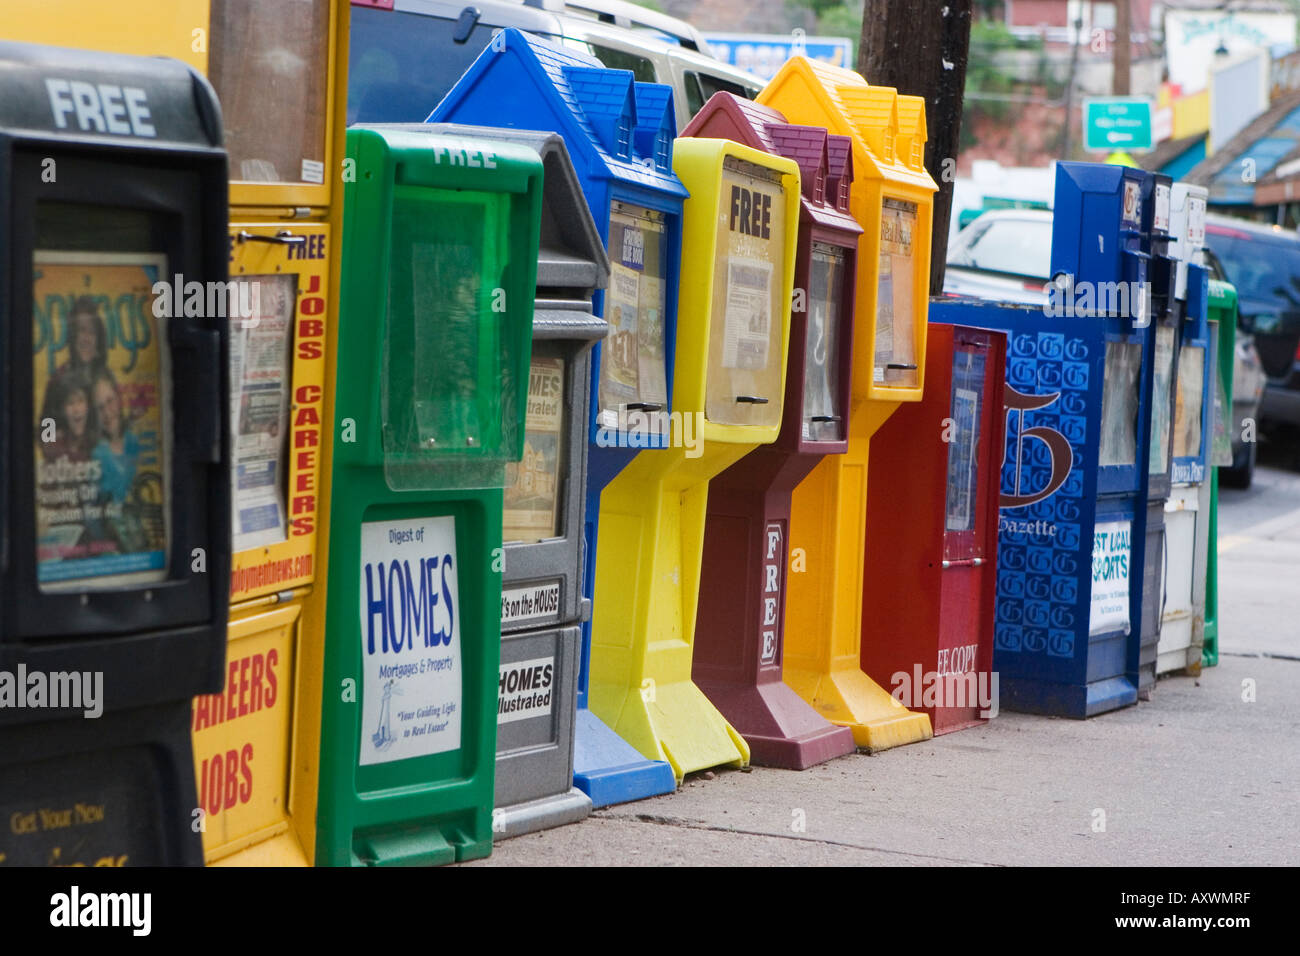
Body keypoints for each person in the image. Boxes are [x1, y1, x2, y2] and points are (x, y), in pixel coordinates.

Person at [90, 369, 140, 504]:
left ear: (119, 399)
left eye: (110, 401)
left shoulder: (134, 442)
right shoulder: (96, 454)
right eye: (100, 408)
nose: (107, 413)